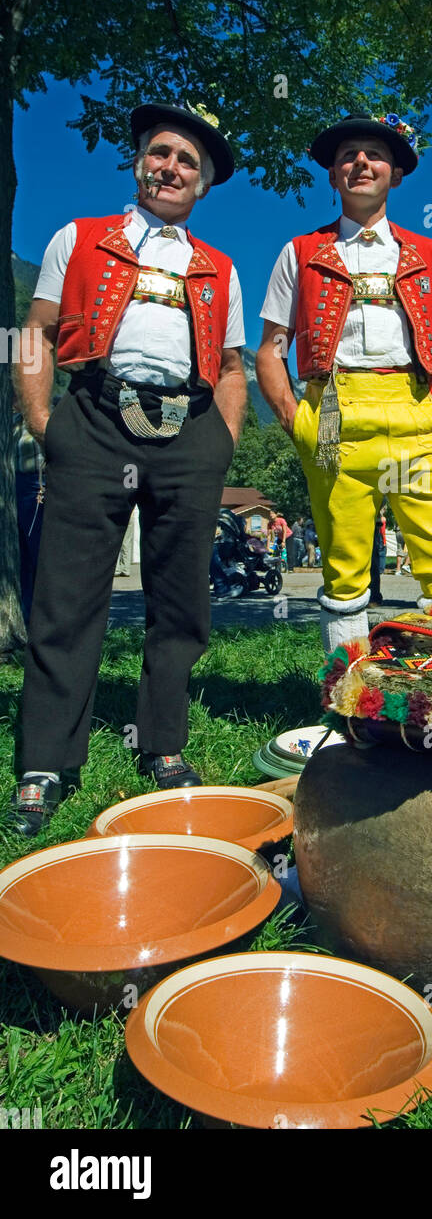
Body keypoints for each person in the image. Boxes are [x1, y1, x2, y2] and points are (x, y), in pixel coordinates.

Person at [9, 101, 246, 835]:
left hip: (190, 433)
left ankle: (163, 743)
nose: (171, 168)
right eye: (161, 153)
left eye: (188, 163)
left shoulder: (219, 267)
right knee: (68, 594)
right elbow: (34, 334)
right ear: (139, 161)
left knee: (179, 600)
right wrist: (44, 423)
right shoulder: (78, 238)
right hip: (93, 420)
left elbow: (233, 366)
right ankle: (46, 761)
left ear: (202, 185)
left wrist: (224, 443)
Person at [256, 111, 432, 651]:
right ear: (332, 175)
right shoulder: (299, 251)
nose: (360, 163)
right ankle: (347, 696)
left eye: (374, 155)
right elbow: (271, 348)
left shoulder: (426, 251)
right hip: (334, 411)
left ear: (395, 174)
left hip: (418, 407)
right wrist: (296, 419)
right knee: (343, 564)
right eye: (348, 155)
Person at [12, 394, 45, 625]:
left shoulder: (41, 418)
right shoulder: (12, 421)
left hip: (36, 485)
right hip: (15, 485)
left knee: (37, 553)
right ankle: (26, 617)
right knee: (21, 556)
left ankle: (40, 619)